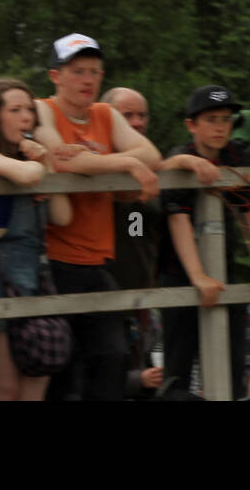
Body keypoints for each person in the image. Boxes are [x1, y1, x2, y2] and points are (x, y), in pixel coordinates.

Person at [33, 33, 161, 401]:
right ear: (55, 76)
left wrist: (98, 161)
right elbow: (59, 158)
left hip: (98, 262)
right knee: (63, 366)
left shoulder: (105, 114)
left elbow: (150, 154)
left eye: (94, 72)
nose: (88, 80)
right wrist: (125, 163)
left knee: (112, 358)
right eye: (77, 71)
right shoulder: (42, 109)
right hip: (53, 262)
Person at [158, 85, 250, 400]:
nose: (220, 127)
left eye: (226, 119)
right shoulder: (180, 155)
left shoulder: (235, 154)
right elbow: (177, 217)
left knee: (232, 365)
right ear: (191, 125)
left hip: (224, 271)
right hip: (178, 274)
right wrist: (197, 276)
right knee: (177, 372)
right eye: (211, 119)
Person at [0, 78, 73, 400]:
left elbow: (63, 215)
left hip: (37, 278)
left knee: (36, 383)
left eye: (30, 110)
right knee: (4, 389)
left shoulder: (32, 160)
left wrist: (47, 162)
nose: (26, 117)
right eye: (15, 110)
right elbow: (26, 176)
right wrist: (38, 162)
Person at [100, 85, 164, 397]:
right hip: (99, 295)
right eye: (127, 116)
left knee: (148, 377)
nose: (137, 122)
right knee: (104, 373)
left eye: (142, 115)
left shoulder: (152, 166)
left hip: (142, 299)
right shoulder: (91, 163)